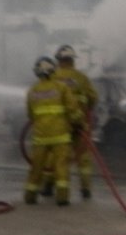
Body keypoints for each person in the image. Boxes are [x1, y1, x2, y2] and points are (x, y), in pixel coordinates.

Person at [24, 55, 82, 206]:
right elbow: (73, 110)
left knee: (36, 167)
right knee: (61, 167)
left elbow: (30, 115)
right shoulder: (62, 88)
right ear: (52, 70)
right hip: (60, 136)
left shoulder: (32, 91)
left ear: (37, 72)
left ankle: (30, 197)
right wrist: (79, 123)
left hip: (40, 137)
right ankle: (62, 198)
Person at [49, 44, 100, 200]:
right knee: (83, 157)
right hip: (79, 123)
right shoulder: (81, 78)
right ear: (72, 60)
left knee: (56, 156)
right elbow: (93, 97)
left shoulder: (53, 76)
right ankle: (85, 189)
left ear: (58, 59)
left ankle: (48, 186)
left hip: (59, 123)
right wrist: (85, 111)